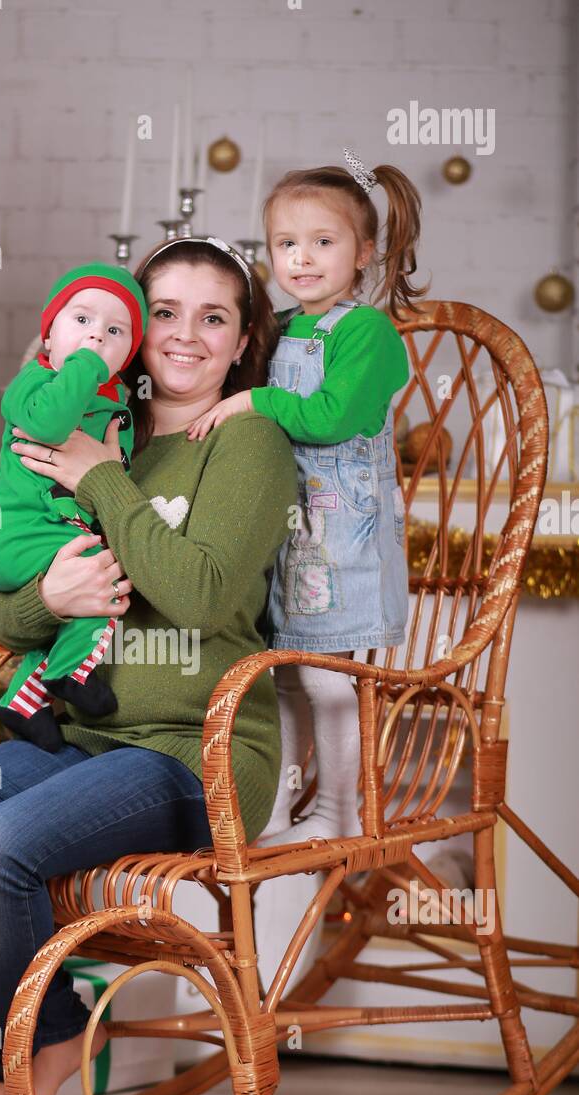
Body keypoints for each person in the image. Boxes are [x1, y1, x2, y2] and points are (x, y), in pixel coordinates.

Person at [0, 235, 298, 1095]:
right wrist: (47, 597)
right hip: (79, 739)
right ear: (133, 332)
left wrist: (98, 477)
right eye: (167, 314)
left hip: (195, 752)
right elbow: (3, 613)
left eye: (213, 317)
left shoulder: (247, 442)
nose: (186, 337)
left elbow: (202, 593)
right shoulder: (97, 420)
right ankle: (55, 1023)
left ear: (242, 338)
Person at [187, 152, 424, 846]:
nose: (303, 258)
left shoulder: (365, 332)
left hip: (344, 535)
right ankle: (281, 807)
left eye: (324, 242)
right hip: (288, 535)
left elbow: (328, 417)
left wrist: (252, 399)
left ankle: (337, 812)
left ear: (365, 251)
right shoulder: (284, 326)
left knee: (326, 683)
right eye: (286, 244)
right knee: (284, 679)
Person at [0, 263, 148, 751]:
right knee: (103, 581)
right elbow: (50, 426)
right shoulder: (36, 382)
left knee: (81, 602)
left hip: (57, 531)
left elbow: (111, 471)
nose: (96, 335)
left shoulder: (114, 402)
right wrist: (87, 365)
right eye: (81, 321)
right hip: (20, 533)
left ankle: (23, 703)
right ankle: (72, 676)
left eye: (114, 332)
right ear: (48, 338)